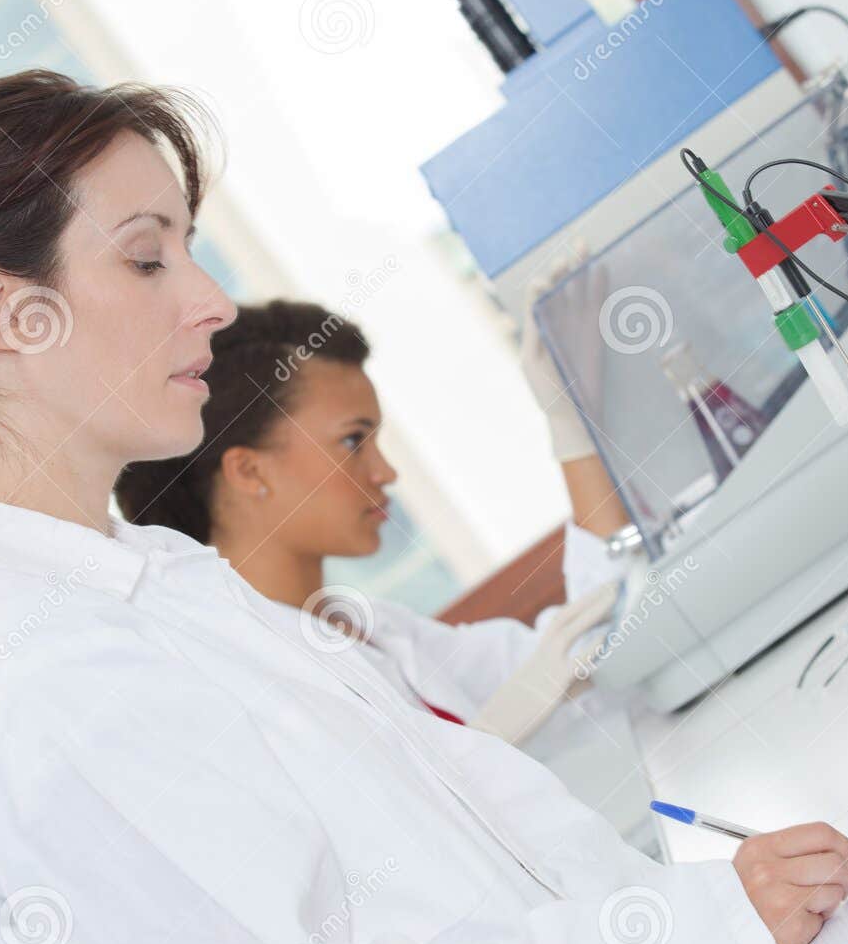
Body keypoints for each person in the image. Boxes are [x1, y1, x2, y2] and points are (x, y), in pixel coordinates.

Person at [0, 69, 848, 944]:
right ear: (7, 313)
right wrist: (702, 936)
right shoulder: (38, 684)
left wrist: (693, 920)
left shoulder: (144, 576)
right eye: (148, 258)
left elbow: (471, 837)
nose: (211, 301)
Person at [114, 298, 621, 745]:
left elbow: (591, 650)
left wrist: (570, 423)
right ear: (249, 471)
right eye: (353, 441)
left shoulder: (371, 628)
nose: (386, 473)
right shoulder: (241, 681)